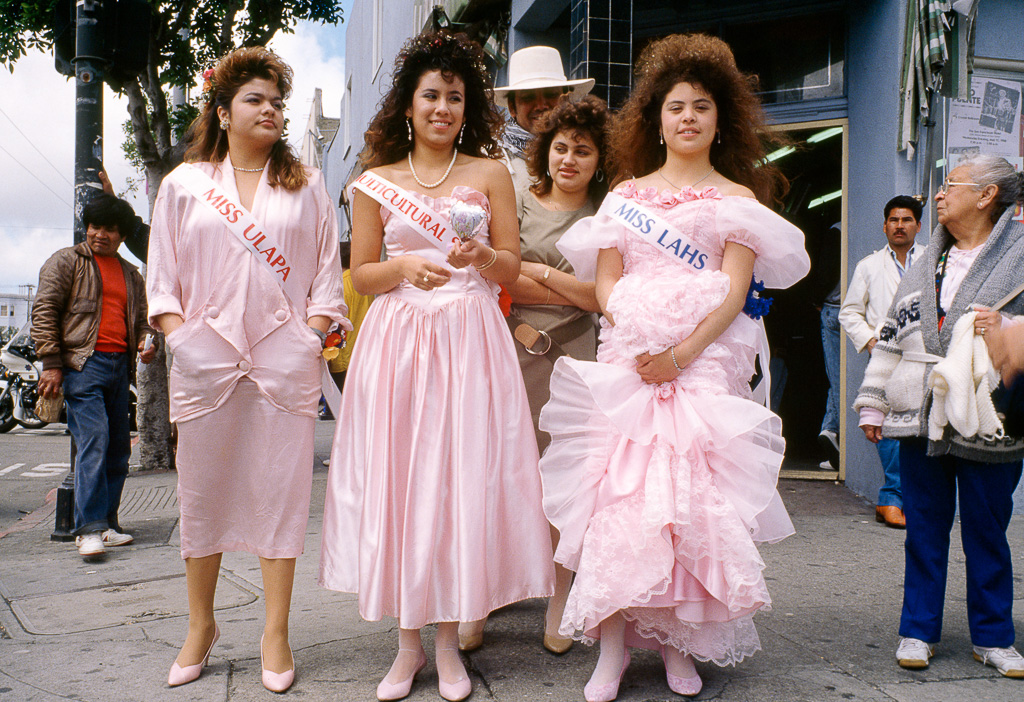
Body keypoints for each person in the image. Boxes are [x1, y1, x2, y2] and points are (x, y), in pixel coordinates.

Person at [537, 34, 810, 701]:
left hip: (700, 367)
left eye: (702, 106)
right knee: (619, 505)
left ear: (721, 121)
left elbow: (734, 293)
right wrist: (635, 329)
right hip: (629, 362)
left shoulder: (738, 196)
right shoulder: (626, 195)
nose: (688, 116)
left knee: (685, 510)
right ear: (655, 119)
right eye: (675, 105)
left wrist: (680, 354)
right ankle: (610, 649)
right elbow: (606, 282)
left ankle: (674, 644)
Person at [318, 31, 554, 702]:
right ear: (408, 105)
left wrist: (482, 261)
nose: (443, 107)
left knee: (459, 480)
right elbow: (360, 272)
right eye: (431, 95)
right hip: (398, 339)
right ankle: (407, 645)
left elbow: (508, 262)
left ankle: (450, 644)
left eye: (455, 96)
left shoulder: (489, 175)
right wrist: (401, 267)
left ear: (467, 105)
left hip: (470, 336)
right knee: (401, 479)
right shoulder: (375, 181)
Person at [146, 47, 348, 693]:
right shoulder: (184, 184)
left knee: (280, 495)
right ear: (224, 109)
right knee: (203, 494)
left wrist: (309, 337)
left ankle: (276, 630)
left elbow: (325, 276)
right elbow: (163, 279)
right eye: (256, 99)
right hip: (206, 362)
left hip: (280, 361)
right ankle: (200, 625)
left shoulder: (306, 183)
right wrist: (181, 339)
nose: (270, 111)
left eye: (277, 102)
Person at [854, 155, 1024, 677]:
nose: (938, 195)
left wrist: (1011, 325)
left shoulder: (1019, 255)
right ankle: (917, 629)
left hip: (990, 411)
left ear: (987, 195)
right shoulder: (928, 261)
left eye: (951, 185)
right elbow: (890, 336)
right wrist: (873, 399)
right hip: (921, 410)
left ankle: (993, 637)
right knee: (924, 527)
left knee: (987, 529)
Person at [458, 96, 608, 655]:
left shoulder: (609, 214)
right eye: (561, 147)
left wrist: (536, 270)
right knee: (493, 473)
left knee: (561, 481)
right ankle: (481, 595)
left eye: (584, 150)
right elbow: (499, 275)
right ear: (546, 151)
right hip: (506, 346)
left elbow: (604, 296)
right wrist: (555, 284)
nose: (570, 159)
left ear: (599, 158)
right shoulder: (516, 200)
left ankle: (559, 596)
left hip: (577, 358)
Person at [31, 193, 156, 560]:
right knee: (94, 440)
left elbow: (142, 322)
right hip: (82, 365)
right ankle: (88, 530)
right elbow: (44, 311)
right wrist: (51, 363)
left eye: (109, 229)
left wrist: (147, 342)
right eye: (94, 226)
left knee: (118, 449)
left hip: (121, 367)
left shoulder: (131, 273)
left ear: (121, 235)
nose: (100, 234)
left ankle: (108, 524)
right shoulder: (65, 262)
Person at [839, 196, 926, 528]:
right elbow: (849, 312)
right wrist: (871, 341)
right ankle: (891, 498)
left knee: (919, 425)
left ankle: (913, 498)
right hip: (885, 358)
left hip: (922, 354)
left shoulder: (934, 260)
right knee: (885, 426)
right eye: (893, 220)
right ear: (885, 225)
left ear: (918, 225)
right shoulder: (870, 265)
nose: (899, 225)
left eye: (906, 220)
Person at [493, 45, 594, 192]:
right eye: (528, 98)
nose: (541, 105)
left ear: (566, 99)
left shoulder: (588, 151)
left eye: (551, 94)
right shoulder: (494, 158)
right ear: (512, 107)